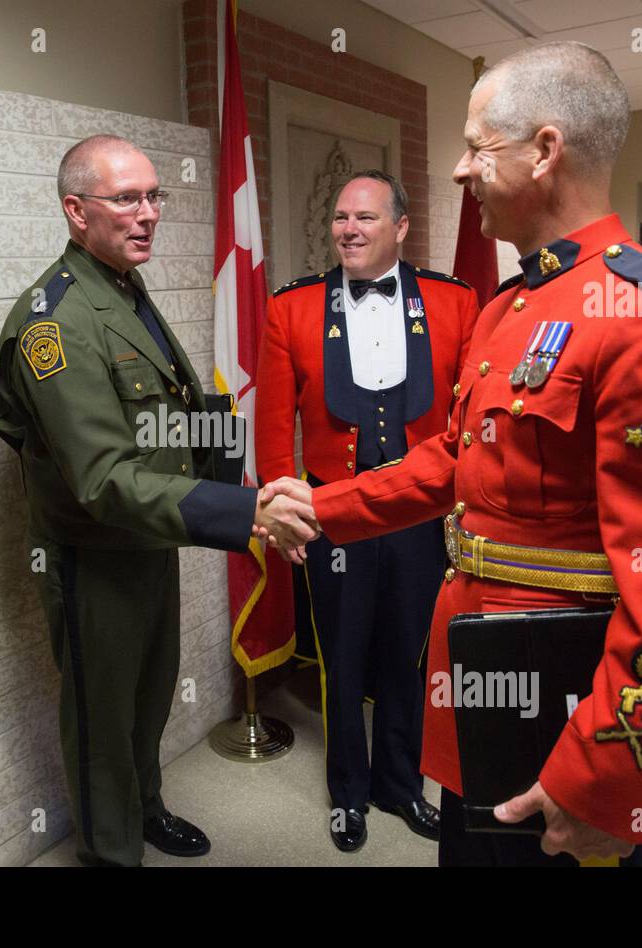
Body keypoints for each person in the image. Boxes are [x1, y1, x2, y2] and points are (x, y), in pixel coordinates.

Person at [257, 41, 642, 867]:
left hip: (572, 705)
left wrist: (611, 778)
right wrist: (323, 507)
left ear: (545, 149)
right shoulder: (509, 307)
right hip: (477, 680)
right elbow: (458, 460)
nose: (459, 171)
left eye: (475, 147)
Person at [0, 134, 307, 867]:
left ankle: (146, 809)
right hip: (93, 554)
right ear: (76, 211)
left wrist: (244, 493)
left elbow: (177, 412)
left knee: (147, 697)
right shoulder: (55, 323)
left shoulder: (121, 290)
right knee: (102, 716)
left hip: (148, 539)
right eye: (127, 199)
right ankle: (110, 851)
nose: (149, 214)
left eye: (154, 195)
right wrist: (244, 513)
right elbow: (102, 476)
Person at [256, 169, 477, 851]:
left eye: (367, 218)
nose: (349, 229)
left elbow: (469, 417)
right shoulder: (291, 306)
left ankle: (401, 785)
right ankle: (348, 793)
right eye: (341, 218)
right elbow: (270, 420)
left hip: (419, 513)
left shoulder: (455, 301)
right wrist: (279, 506)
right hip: (332, 512)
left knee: (411, 654)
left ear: (401, 227)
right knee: (342, 658)